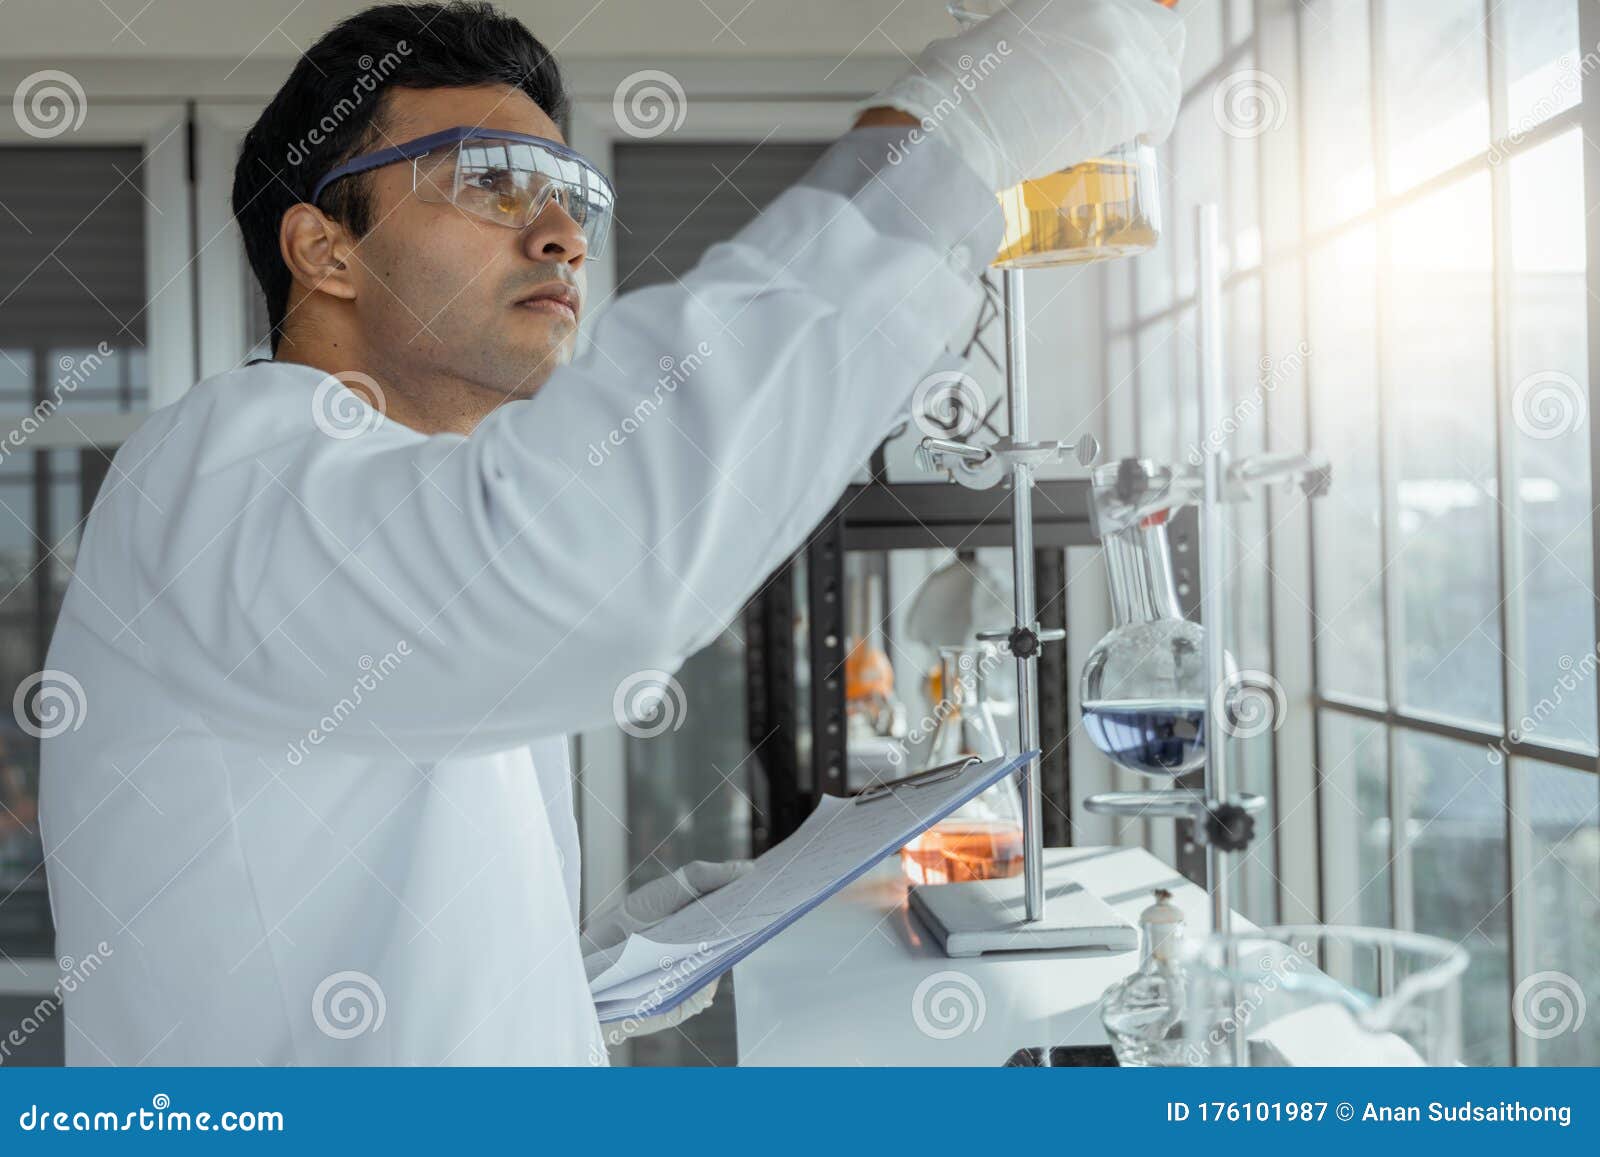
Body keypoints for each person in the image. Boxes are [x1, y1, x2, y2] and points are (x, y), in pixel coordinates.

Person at [39, 0, 1183, 1064]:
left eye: (570, 195)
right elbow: (594, 567)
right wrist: (951, 145)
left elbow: (363, 929)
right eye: (490, 181)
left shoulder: (385, 507)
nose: (562, 236)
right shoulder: (224, 470)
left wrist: (596, 959)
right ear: (324, 248)